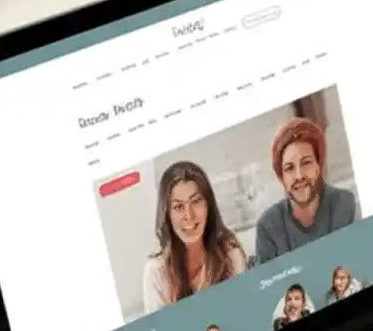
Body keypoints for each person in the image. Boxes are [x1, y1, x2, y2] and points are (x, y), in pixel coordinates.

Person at [143, 161, 248, 313]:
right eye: (179, 207)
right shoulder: (156, 272)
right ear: (167, 215)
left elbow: (245, 313)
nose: (189, 215)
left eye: (196, 201)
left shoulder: (230, 254)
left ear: (208, 205)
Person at [254, 117, 360, 264]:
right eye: (289, 168)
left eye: (306, 163)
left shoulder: (345, 205)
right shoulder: (268, 227)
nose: (299, 176)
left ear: (318, 166)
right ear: (281, 177)